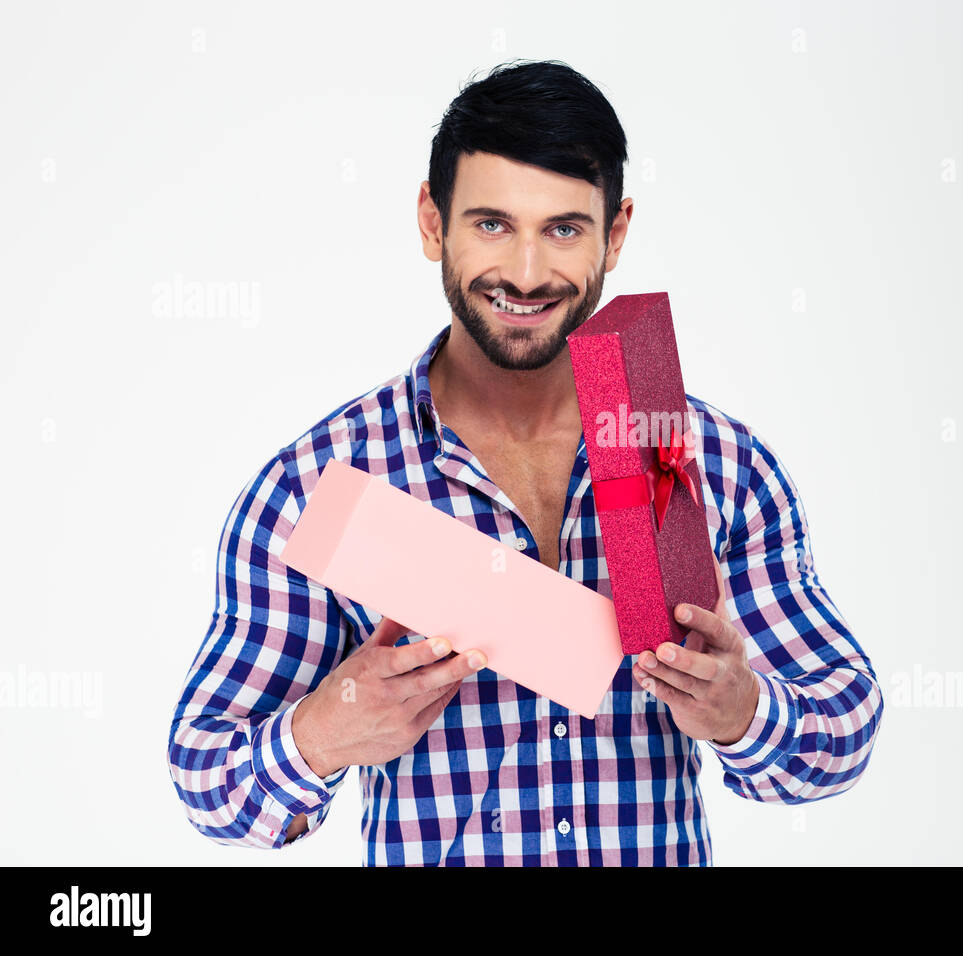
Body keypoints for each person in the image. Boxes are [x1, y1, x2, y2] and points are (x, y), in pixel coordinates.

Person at [166, 58, 884, 866]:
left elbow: (844, 724)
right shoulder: (320, 486)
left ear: (616, 235)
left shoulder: (712, 463)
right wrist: (323, 734)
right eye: (492, 224)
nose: (528, 273)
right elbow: (208, 780)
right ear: (433, 223)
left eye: (565, 229)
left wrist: (744, 713)